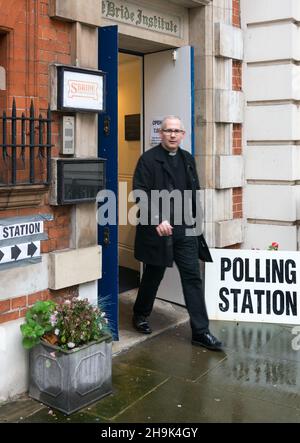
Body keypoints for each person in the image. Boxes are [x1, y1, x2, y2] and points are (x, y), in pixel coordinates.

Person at [132, 115, 223, 351]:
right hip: (159, 230)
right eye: (168, 130)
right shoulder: (148, 160)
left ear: (183, 135)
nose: (172, 135)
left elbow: (194, 193)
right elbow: (139, 193)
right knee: (153, 274)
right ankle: (140, 315)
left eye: (177, 131)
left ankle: (201, 332)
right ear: (160, 133)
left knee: (193, 277)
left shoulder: (188, 159)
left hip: (185, 229)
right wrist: (156, 219)